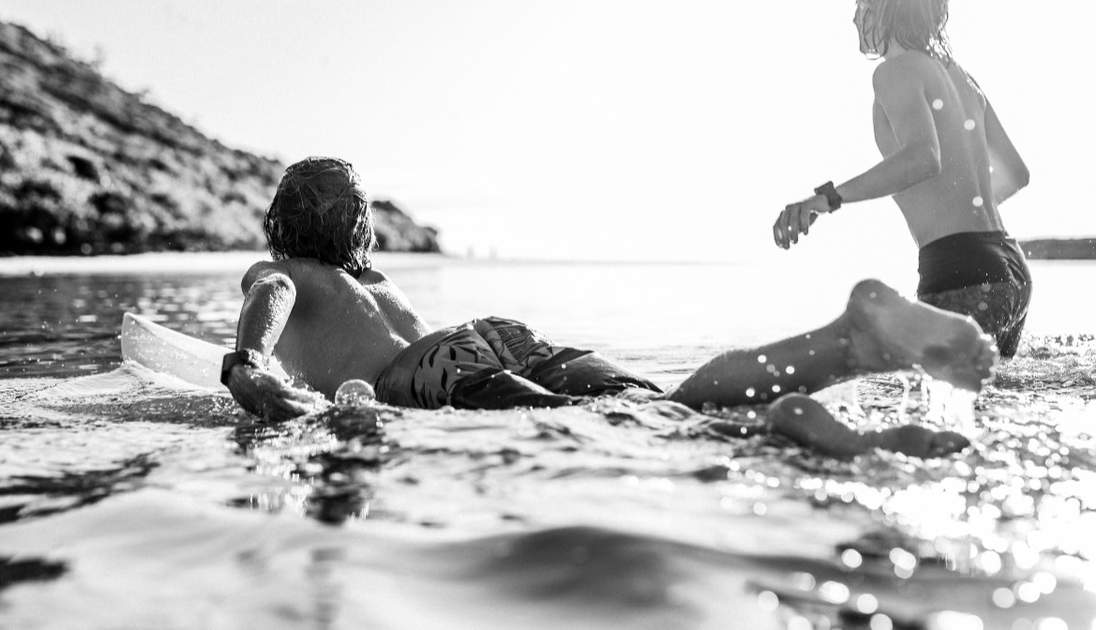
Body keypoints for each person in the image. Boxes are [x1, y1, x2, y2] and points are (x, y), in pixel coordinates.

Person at [225, 157, 995, 458]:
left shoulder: (289, 271)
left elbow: (272, 295)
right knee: (660, 404)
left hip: (422, 376)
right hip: (491, 334)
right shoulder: (377, 285)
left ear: (283, 224)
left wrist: (247, 364)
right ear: (358, 231)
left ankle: (776, 431)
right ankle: (844, 342)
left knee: (634, 434)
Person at [772, 0, 1031, 358]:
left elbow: (924, 157)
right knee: (988, 399)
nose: (853, 17)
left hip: (960, 273)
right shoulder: (962, 78)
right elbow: (1016, 174)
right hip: (1010, 270)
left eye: (861, 5)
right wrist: (954, 210)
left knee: (936, 407)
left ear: (885, 9)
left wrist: (828, 199)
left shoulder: (894, 71)